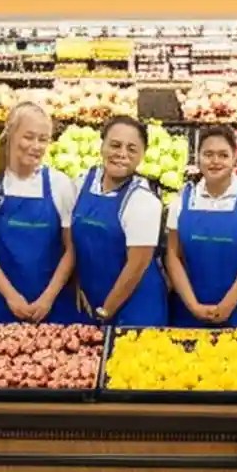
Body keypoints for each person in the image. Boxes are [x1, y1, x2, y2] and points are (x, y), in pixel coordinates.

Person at [0, 102, 79, 325]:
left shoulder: (60, 184)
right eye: (28, 137)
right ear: (10, 135)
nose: (36, 146)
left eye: (43, 139)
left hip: (52, 306)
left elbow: (71, 249)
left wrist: (47, 298)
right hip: (0, 306)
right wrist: (11, 297)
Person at [165, 126, 237, 327]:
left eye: (223, 155)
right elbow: (172, 255)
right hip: (188, 311)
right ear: (197, 157)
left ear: (235, 157)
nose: (215, 161)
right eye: (208, 154)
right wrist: (193, 305)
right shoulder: (184, 197)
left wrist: (227, 305)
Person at [70, 115, 168, 326]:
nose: (122, 154)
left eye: (132, 149)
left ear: (142, 155)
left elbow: (137, 265)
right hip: (91, 302)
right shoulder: (82, 183)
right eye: (115, 145)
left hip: (135, 308)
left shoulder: (143, 201)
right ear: (102, 145)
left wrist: (106, 311)